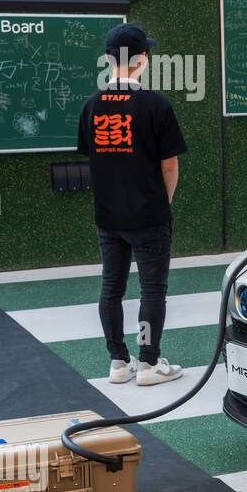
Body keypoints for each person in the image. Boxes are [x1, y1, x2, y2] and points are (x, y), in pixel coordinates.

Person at [77, 24, 186, 387]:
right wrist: (162, 203)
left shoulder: (91, 106)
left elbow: (94, 158)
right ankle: (150, 362)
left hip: (108, 216)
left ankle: (118, 362)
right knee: (152, 290)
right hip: (149, 216)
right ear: (141, 61)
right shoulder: (156, 105)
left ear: (108, 59)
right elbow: (169, 165)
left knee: (112, 288)